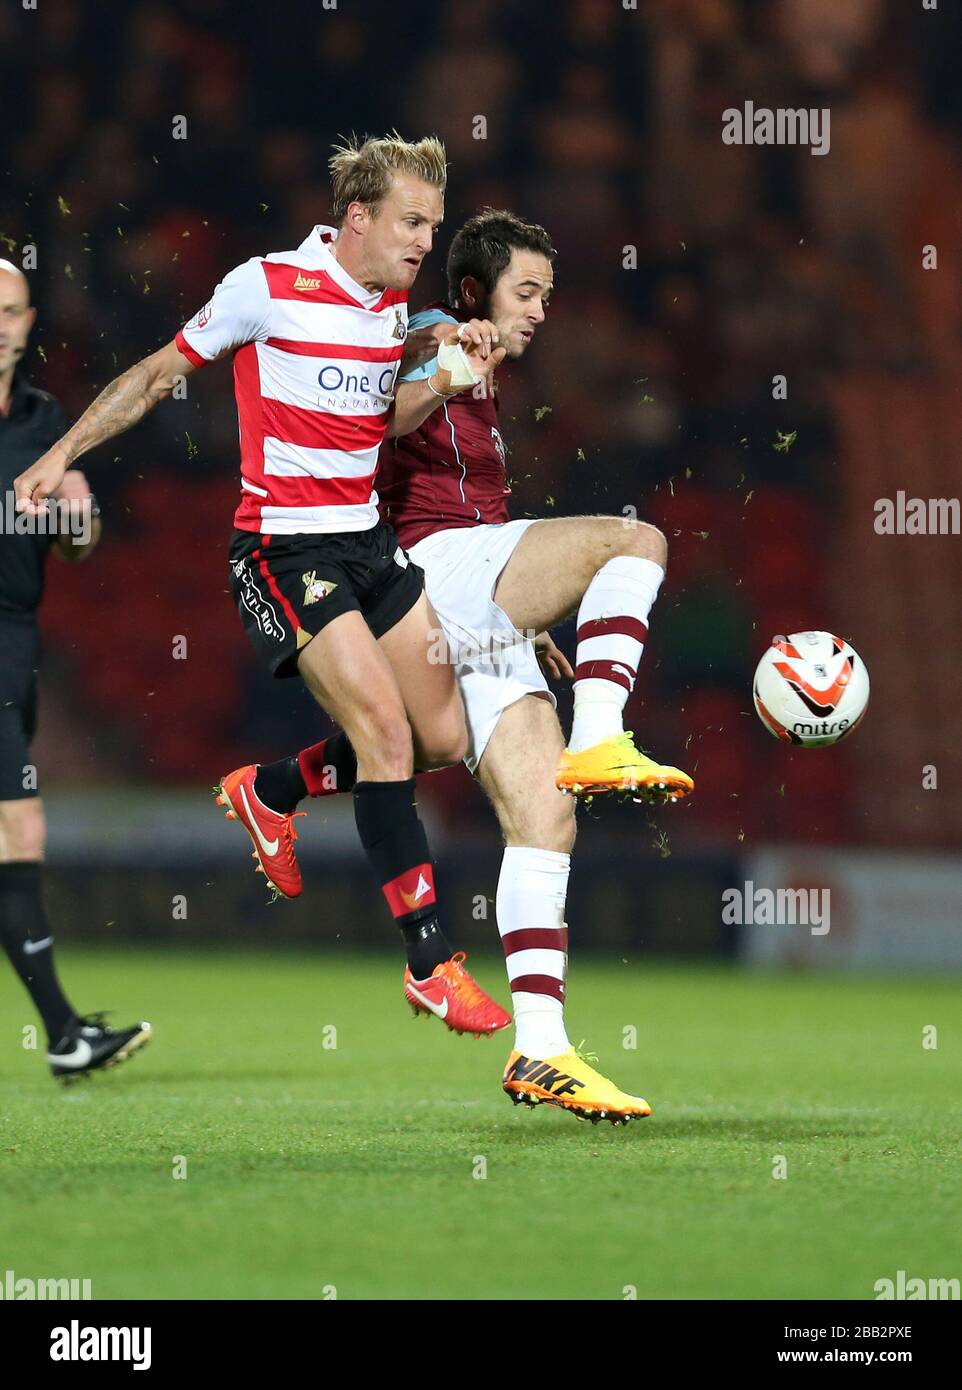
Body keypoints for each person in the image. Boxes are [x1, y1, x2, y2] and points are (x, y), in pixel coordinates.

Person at [14, 135, 512, 1042]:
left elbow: (380, 418)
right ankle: (433, 964)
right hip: (286, 553)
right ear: (356, 216)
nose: (423, 243)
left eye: (432, 227)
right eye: (410, 222)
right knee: (388, 737)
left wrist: (447, 375)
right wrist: (59, 455)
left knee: (444, 737)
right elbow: (159, 375)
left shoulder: (393, 303)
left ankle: (274, 789)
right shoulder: (265, 286)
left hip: (369, 543)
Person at [219, 210, 695, 1124]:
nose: (542, 312)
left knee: (542, 817)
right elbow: (381, 402)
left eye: (549, 296)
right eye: (527, 292)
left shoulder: (480, 371)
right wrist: (444, 356)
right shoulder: (424, 337)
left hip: (470, 586)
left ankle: (541, 1052)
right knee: (636, 540)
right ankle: (603, 736)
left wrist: (528, 615)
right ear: (472, 292)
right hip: (428, 571)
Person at [0, 259, 151, 1081]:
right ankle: (62, 1034)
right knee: (17, 828)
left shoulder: (44, 420)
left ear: (29, 325)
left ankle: (63, 1035)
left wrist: (80, 518)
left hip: (18, 640)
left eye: (12, 311)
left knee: (12, 834)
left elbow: (77, 545)